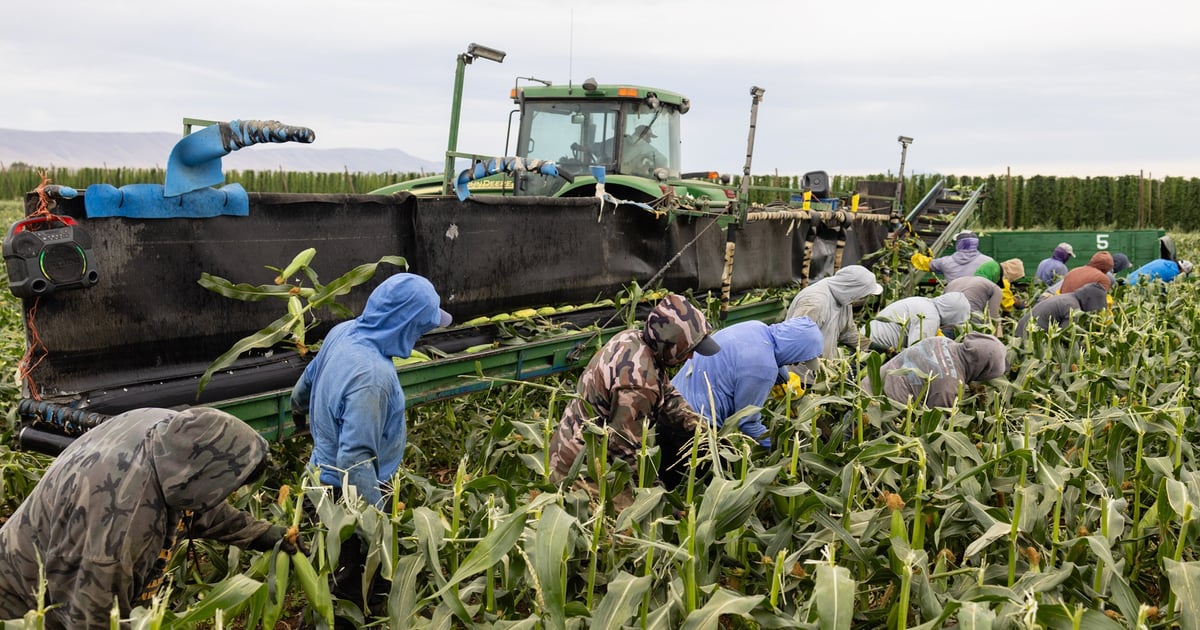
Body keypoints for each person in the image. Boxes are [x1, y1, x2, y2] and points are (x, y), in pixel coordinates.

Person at [0, 407, 298, 628]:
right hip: (24, 605)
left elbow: (198, 502)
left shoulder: (173, 435)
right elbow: (93, 617)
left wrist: (259, 533)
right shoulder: (119, 522)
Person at [289, 272, 451, 602]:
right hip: (348, 499)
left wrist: (299, 413)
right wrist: (375, 527)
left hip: (318, 483)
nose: (421, 335)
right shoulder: (373, 377)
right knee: (353, 587)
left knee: (328, 569)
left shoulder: (343, 332)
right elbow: (355, 462)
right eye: (420, 328)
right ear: (405, 326)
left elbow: (305, 385)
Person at [547, 294, 720, 504]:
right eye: (688, 350)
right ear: (668, 346)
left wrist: (700, 430)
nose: (691, 356)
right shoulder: (639, 384)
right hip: (581, 468)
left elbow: (667, 395)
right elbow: (625, 450)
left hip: (570, 444)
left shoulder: (632, 339)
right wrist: (660, 497)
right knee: (634, 518)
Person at [671, 316, 823, 449]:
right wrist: (783, 450)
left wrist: (785, 378)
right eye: (799, 359)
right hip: (692, 421)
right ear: (794, 350)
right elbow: (747, 423)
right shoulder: (762, 368)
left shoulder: (756, 327)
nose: (796, 364)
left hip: (671, 399)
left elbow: (764, 357)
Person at [861, 332, 1008, 408]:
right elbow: (933, 431)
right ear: (982, 369)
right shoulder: (949, 387)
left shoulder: (941, 340)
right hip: (875, 414)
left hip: (863, 389)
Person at [785, 264, 884, 359]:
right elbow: (796, 339)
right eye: (863, 295)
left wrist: (873, 346)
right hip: (803, 365)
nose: (862, 298)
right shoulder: (814, 302)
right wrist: (814, 363)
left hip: (825, 364)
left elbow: (847, 333)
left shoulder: (844, 297)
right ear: (854, 290)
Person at [861, 292, 971, 353]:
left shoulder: (923, 301)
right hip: (873, 349)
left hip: (864, 339)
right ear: (953, 315)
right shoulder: (931, 318)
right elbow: (916, 351)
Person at [1014, 281, 1108, 337]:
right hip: (1027, 339)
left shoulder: (1068, 297)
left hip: (1020, 331)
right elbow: (1066, 337)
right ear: (1090, 301)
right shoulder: (1073, 309)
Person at [912, 231, 996, 283]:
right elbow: (999, 285)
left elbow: (926, 263)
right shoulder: (989, 262)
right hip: (980, 304)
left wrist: (912, 256)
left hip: (954, 303)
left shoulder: (946, 262)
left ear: (959, 244)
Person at [1126, 258, 1192, 285]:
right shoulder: (1173, 275)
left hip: (1128, 280)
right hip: (1136, 288)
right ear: (1182, 270)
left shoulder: (1161, 261)